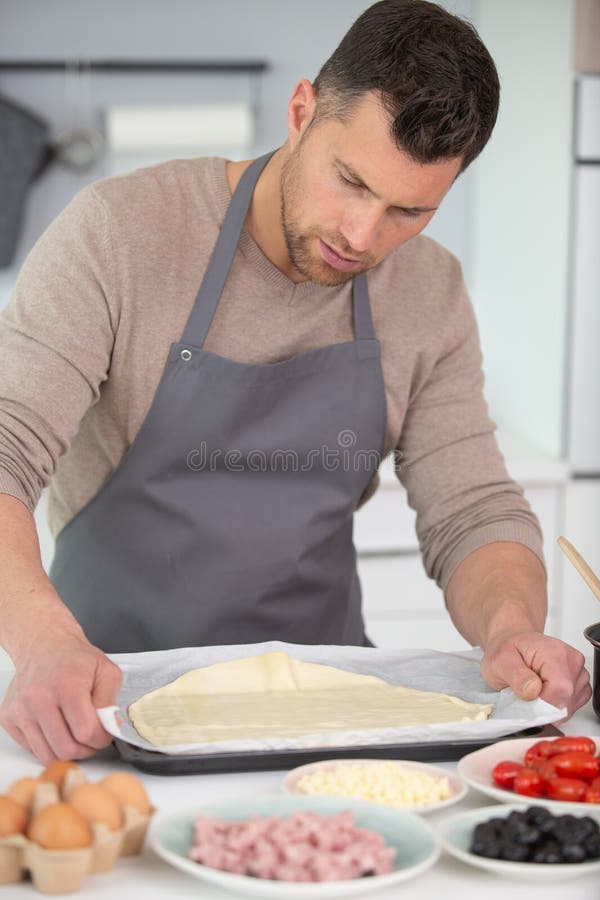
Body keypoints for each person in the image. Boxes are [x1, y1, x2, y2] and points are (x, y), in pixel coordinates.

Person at [0, 0, 590, 764]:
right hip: (105, 706)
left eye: (409, 211)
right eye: (349, 181)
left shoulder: (430, 290)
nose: (362, 236)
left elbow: (472, 507)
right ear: (302, 109)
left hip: (330, 719)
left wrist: (512, 628)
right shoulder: (119, 233)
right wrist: (44, 646)